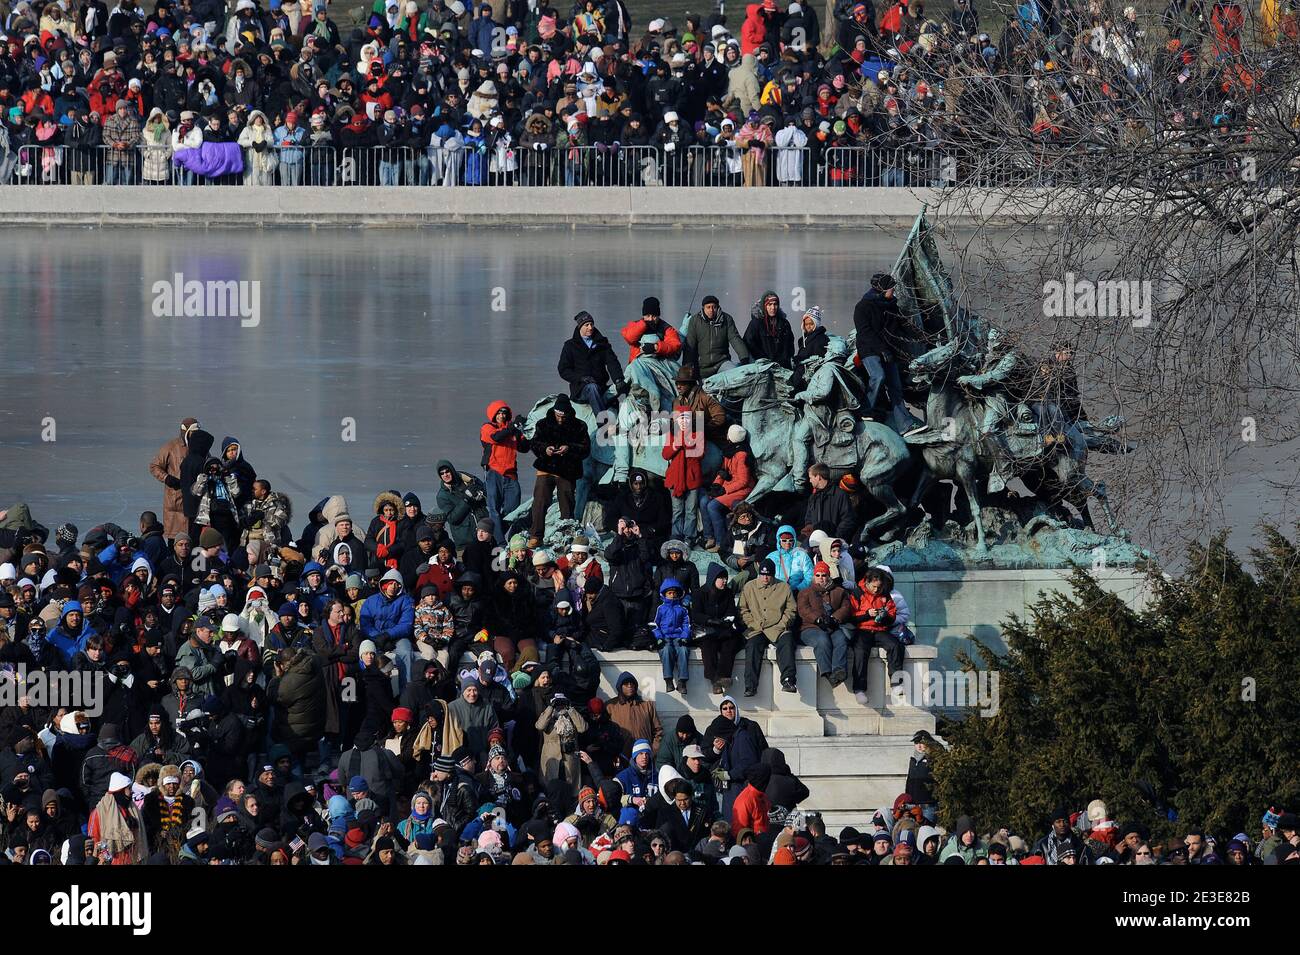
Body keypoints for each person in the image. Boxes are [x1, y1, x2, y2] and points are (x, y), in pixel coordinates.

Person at [853, 273, 918, 432]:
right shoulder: (863, 307)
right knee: (878, 375)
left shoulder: (891, 306)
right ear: (882, 289)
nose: (893, 291)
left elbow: (902, 327)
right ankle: (865, 410)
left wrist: (919, 337)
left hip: (888, 351)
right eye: (891, 289)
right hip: (869, 350)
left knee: (895, 387)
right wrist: (882, 349)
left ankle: (905, 425)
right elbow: (865, 333)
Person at [527, 396, 590, 548]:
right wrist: (545, 449)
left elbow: (585, 449)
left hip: (567, 470)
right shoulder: (543, 424)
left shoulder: (579, 426)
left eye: (563, 416)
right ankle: (536, 536)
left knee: (567, 504)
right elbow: (535, 444)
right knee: (539, 502)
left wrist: (569, 448)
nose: (560, 419)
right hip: (546, 468)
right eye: (558, 415)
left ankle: (566, 536)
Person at [738, 558, 798, 696]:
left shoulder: (783, 587)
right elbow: (742, 610)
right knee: (752, 647)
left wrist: (782, 625)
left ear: (773, 574)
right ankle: (750, 686)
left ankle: (788, 680)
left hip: (778, 627)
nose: (765, 578)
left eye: (768, 575)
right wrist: (752, 624)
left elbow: (791, 610)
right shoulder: (749, 587)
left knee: (787, 643)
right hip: (756, 628)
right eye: (763, 574)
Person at [847, 566, 901, 706]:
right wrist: (866, 614)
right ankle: (859, 689)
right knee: (860, 651)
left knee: (895, 645)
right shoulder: (857, 593)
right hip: (862, 629)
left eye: (879, 587)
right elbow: (850, 617)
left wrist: (885, 616)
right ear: (867, 582)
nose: (876, 590)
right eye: (874, 586)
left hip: (879, 629)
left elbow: (892, 615)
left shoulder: (885, 594)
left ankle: (896, 683)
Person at [557, 310, 627, 415]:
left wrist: (618, 379)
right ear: (580, 327)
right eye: (587, 325)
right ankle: (602, 423)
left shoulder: (602, 343)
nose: (590, 327)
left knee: (623, 387)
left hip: (601, 386)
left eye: (591, 324)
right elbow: (563, 370)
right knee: (592, 388)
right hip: (581, 389)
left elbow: (612, 362)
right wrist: (580, 378)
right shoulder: (570, 346)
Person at [480, 401, 530, 543]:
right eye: (499, 413)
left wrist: (526, 430)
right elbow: (495, 437)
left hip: (511, 474)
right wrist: (512, 426)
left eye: (504, 413)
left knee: (512, 510)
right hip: (493, 472)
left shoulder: (512, 431)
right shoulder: (487, 427)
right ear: (493, 415)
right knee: (494, 510)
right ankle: (501, 543)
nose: (501, 416)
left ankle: (495, 536)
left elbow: (525, 447)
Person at [796, 561, 852, 688]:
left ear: (828, 576)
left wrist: (835, 618)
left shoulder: (839, 591)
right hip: (810, 628)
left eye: (824, 575)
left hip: (833, 626)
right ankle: (827, 673)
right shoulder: (805, 592)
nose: (821, 578)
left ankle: (839, 670)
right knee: (822, 640)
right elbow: (803, 610)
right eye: (818, 575)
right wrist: (817, 619)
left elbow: (846, 607)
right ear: (814, 576)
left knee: (841, 639)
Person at [150, 418, 200, 539]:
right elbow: (154, 466)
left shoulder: (200, 448)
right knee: (175, 540)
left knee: (193, 541)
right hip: (175, 501)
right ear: (185, 431)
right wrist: (167, 478)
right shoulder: (171, 447)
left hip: (194, 502)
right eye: (193, 432)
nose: (196, 434)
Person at [684, 294, 750, 378]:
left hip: (722, 363)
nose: (711, 310)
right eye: (708, 307)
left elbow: (735, 338)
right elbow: (690, 345)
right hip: (701, 367)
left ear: (718, 307)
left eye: (714, 307)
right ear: (703, 308)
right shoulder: (695, 321)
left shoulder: (726, 319)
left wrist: (744, 357)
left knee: (735, 374)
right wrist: (687, 366)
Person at [654, 579, 692, 693]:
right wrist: (658, 637)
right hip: (665, 637)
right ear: (664, 594)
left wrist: (685, 636)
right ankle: (668, 680)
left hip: (678, 637)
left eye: (674, 593)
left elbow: (687, 624)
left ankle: (682, 681)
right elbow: (655, 624)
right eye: (669, 593)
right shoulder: (661, 609)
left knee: (684, 650)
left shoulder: (682, 609)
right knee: (666, 650)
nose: (672, 595)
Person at [621, 297, 683, 363]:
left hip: (658, 363)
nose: (650, 319)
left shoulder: (666, 328)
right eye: (648, 315)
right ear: (643, 315)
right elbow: (629, 338)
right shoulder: (635, 325)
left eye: (653, 316)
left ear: (658, 315)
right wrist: (643, 325)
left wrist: (656, 347)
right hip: (636, 363)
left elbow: (674, 345)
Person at [743, 290, 795, 369]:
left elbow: (790, 345)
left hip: (782, 364)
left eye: (775, 304)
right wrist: (762, 359)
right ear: (764, 306)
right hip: (762, 364)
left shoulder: (784, 323)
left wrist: (785, 360)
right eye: (769, 305)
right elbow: (749, 342)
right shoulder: (756, 323)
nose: (773, 308)